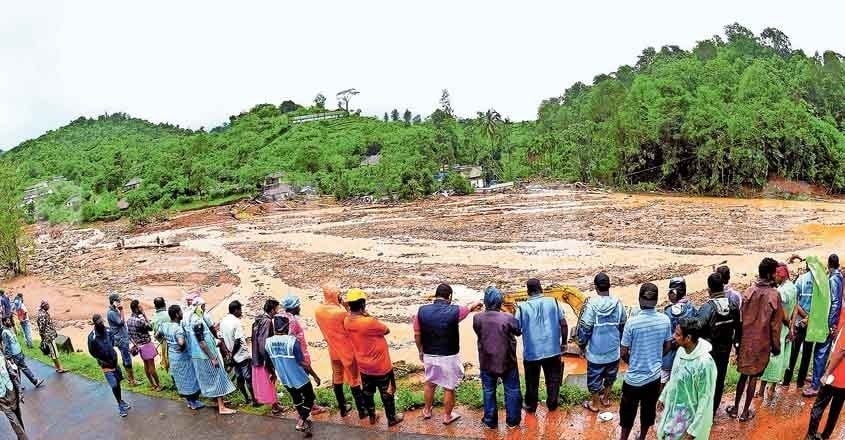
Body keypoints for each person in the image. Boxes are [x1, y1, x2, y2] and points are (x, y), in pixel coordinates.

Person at [414, 283, 481, 424]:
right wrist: (474, 304)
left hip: (429, 354)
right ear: (449, 296)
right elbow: (466, 309)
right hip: (449, 355)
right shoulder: (455, 311)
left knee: (430, 383)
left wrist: (421, 351)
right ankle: (447, 416)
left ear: (435, 295)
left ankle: (426, 411)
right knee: (448, 387)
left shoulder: (421, 311)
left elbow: (417, 334)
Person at [727, 257, 782, 422]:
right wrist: (776, 346)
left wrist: (737, 342)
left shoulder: (749, 291)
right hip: (762, 343)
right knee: (754, 377)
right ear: (769, 274)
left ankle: (736, 408)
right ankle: (745, 412)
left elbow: (740, 318)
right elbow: (775, 326)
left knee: (743, 375)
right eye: (774, 272)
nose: (776, 275)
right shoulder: (774, 295)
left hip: (746, 341)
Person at [619, 283, 673, 440]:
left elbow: (623, 352)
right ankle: (641, 437)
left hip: (633, 380)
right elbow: (668, 345)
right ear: (656, 301)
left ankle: (624, 438)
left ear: (639, 299)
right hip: (654, 378)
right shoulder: (664, 320)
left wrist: (634, 361)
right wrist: (655, 357)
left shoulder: (632, 323)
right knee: (648, 413)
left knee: (627, 415)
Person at [343, 288, 403, 426]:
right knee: (387, 392)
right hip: (381, 366)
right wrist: (367, 314)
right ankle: (392, 418)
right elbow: (387, 330)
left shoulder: (347, 321)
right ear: (363, 305)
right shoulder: (369, 322)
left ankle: (371, 416)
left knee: (368, 392)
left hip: (364, 366)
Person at [656, 318, 717, 440]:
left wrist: (694, 429)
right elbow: (674, 377)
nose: (673, 336)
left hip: (690, 417)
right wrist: (663, 396)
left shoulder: (704, 363)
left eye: (678, 334)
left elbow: (705, 398)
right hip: (675, 411)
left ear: (688, 338)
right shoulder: (681, 351)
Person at [314, 282, 366, 419]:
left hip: (333, 350)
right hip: (347, 351)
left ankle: (343, 408)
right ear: (335, 296)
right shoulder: (340, 312)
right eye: (339, 294)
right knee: (354, 380)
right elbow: (353, 320)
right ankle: (362, 411)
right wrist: (345, 306)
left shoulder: (318, 311)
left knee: (337, 378)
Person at [515, 278, 567, 413]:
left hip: (532, 353)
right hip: (553, 350)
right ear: (541, 289)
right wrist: (564, 343)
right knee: (553, 380)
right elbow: (564, 324)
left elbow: (517, 331)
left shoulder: (522, 307)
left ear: (528, 292)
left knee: (532, 382)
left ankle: (531, 406)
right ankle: (552, 404)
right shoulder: (553, 302)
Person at [473, 287, 522, 429]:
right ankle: (512, 421)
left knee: (488, 391)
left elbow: (478, 332)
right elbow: (518, 331)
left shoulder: (478, 318)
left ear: (486, 301)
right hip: (507, 360)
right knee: (512, 390)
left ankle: (490, 421)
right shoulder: (508, 318)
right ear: (500, 301)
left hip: (486, 360)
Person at [577, 272, 626, 412]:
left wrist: (581, 345)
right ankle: (605, 399)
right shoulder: (618, 304)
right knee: (610, 377)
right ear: (609, 286)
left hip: (595, 353)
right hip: (613, 352)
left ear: (596, 287)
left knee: (594, 379)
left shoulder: (591, 305)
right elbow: (623, 326)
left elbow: (585, 328)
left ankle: (594, 404)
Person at [266, 315, 322, 437]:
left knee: (296, 398)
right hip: (299, 377)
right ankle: (301, 420)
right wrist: (315, 375)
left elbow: (268, 361)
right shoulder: (292, 342)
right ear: (286, 327)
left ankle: (303, 418)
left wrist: (272, 374)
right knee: (310, 397)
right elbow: (302, 363)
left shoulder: (268, 342)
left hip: (284, 378)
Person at [696, 272, 740, 415]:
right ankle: (712, 412)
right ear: (723, 287)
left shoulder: (707, 308)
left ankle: (701, 413)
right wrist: (737, 349)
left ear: (709, 290)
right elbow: (739, 330)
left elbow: (697, 329)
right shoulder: (733, 306)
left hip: (708, 354)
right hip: (725, 351)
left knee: (704, 383)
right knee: (719, 381)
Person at [186, 297, 236, 414]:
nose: (204, 308)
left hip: (201, 354)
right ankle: (221, 407)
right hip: (206, 355)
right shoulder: (197, 321)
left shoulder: (195, 318)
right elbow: (202, 342)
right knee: (217, 377)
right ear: (198, 307)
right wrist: (212, 357)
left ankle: (217, 400)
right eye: (203, 306)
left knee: (213, 377)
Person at [280, 294, 326, 416]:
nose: (300, 307)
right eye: (298, 305)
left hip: (292, 357)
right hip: (299, 355)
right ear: (294, 307)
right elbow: (290, 339)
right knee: (305, 383)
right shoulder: (293, 321)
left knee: (297, 385)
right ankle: (311, 408)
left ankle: (304, 406)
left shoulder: (284, 318)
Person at [805, 254, 843, 397]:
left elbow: (835, 303)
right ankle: (816, 378)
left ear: (828, 264)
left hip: (829, 323)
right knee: (821, 352)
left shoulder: (834, 279)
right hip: (831, 322)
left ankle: (815, 386)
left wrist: (830, 324)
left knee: (820, 353)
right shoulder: (837, 277)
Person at [760, 263, 797, 402]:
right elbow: (795, 308)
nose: (774, 277)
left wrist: (788, 324)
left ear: (780, 275)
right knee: (780, 358)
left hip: (779, 328)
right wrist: (792, 327)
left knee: (773, 357)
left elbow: (780, 310)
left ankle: (765, 389)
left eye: (776, 275)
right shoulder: (792, 287)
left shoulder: (782, 291)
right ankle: (771, 388)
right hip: (785, 328)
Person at [155, 304, 204, 410]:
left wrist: (167, 341)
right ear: (177, 314)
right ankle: (193, 402)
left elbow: (157, 335)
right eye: (181, 312)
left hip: (173, 357)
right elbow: (181, 342)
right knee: (190, 379)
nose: (182, 313)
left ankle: (189, 402)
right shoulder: (178, 329)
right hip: (183, 358)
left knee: (181, 380)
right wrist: (182, 347)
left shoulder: (165, 325)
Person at [806, 317, 845, 440]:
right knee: (836, 409)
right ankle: (825, 436)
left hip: (835, 374)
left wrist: (827, 373)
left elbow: (841, 352)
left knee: (819, 405)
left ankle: (810, 435)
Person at [87, 314, 131, 417]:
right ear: (95, 324)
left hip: (114, 361)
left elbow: (112, 342)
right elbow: (92, 352)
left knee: (118, 382)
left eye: (102, 322)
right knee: (114, 384)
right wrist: (101, 360)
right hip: (105, 364)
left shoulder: (108, 331)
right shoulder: (92, 337)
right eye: (99, 323)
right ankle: (120, 405)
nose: (101, 324)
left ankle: (120, 400)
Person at [784, 260, 818, 389]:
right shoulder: (820, 282)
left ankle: (786, 381)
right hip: (811, 323)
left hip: (799, 322)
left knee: (793, 353)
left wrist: (803, 317)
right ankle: (800, 383)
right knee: (807, 354)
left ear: (806, 266)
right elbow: (822, 305)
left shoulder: (801, 279)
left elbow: (795, 301)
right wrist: (810, 317)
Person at [220, 300, 257, 406]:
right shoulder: (236, 322)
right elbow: (237, 341)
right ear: (236, 310)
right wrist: (233, 354)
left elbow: (221, 339)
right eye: (240, 310)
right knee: (248, 378)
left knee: (239, 378)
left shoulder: (223, 321)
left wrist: (227, 352)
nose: (241, 312)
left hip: (232, 356)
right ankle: (254, 400)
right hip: (241, 355)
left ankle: (246, 399)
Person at [662, 277, 695, 388]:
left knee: (663, 383)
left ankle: (660, 404)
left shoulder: (667, 312)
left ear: (674, 293)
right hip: (686, 355)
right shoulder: (692, 309)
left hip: (668, 356)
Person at [252, 299, 282, 413]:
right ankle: (275, 406)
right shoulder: (267, 322)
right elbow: (263, 342)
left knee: (269, 381)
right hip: (264, 357)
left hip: (256, 356)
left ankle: (274, 404)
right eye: (277, 309)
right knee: (271, 379)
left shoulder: (259, 319)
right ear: (272, 309)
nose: (277, 312)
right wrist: (268, 362)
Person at [127, 300, 161, 391]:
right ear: (136, 308)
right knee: (152, 366)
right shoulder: (139, 320)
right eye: (139, 307)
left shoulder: (129, 320)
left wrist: (135, 344)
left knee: (146, 365)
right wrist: (144, 314)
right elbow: (150, 327)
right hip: (146, 344)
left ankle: (152, 384)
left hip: (139, 346)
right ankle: (158, 385)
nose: (141, 308)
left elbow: (129, 335)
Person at [106, 293, 139, 386]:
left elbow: (123, 327)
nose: (120, 302)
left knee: (126, 357)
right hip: (120, 339)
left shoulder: (114, 311)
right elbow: (121, 322)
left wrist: (131, 339)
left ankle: (130, 378)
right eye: (118, 301)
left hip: (123, 337)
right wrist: (122, 310)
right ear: (113, 302)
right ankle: (132, 380)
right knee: (127, 359)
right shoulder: (112, 313)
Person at [1, 319, 42, 389]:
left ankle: (18, 386)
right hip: (14, 356)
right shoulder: (5, 333)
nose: (9, 321)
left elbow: (15, 342)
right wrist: (10, 358)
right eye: (7, 321)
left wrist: (21, 351)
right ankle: (35, 381)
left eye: (9, 320)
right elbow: (7, 346)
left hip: (18, 353)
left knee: (17, 370)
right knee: (23, 368)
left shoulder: (10, 330)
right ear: (4, 322)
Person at [0, 353, 26, 438]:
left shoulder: (2, 359)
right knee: (15, 423)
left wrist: (20, 392)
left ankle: (22, 437)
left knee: (18, 418)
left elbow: (13, 376)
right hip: (2, 400)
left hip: (12, 393)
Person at [35, 300, 65, 373]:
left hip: (48, 335)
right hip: (48, 336)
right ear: (44, 306)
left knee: (52, 352)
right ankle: (60, 368)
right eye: (47, 305)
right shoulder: (43, 315)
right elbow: (42, 327)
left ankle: (57, 367)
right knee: (54, 352)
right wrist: (43, 337)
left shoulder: (42, 313)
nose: (48, 306)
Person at [150, 297, 170, 372]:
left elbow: (155, 334)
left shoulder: (153, 317)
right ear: (164, 304)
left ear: (155, 307)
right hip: (174, 343)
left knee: (167, 362)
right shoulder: (170, 313)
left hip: (163, 344)